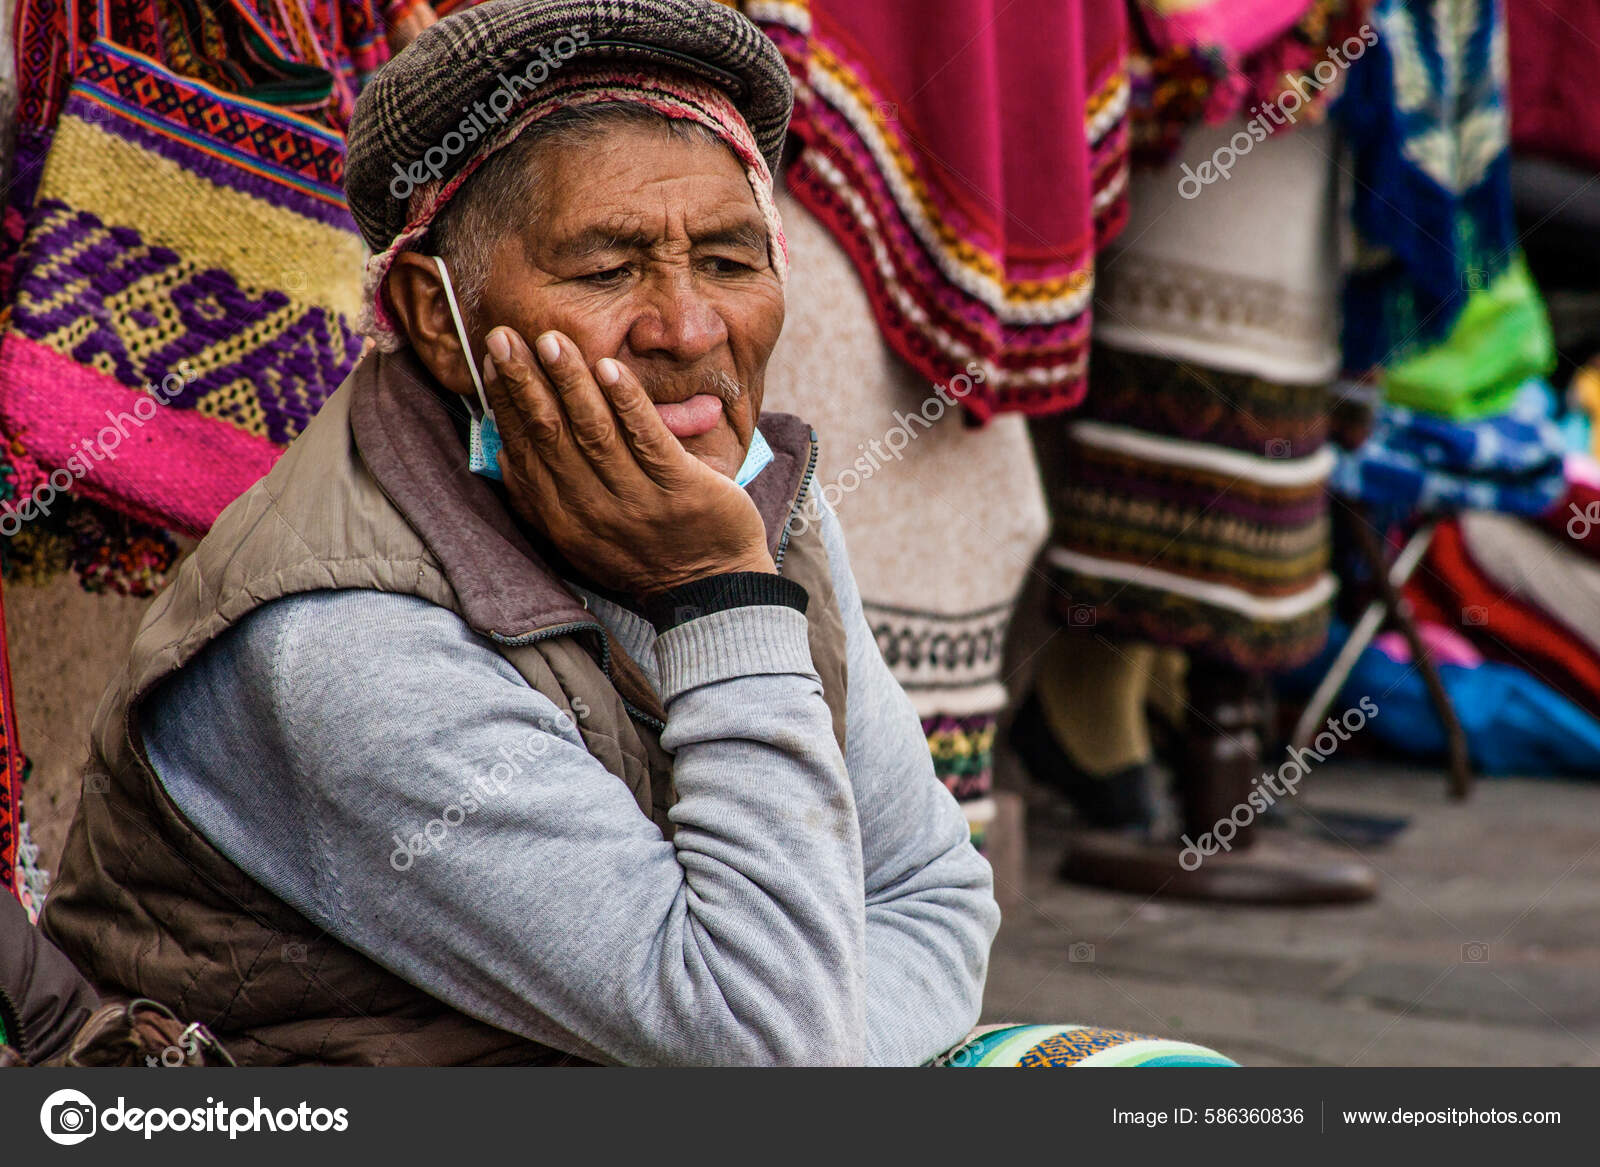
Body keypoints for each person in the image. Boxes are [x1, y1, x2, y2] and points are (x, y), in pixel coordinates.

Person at [32, 0, 1233, 1069]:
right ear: (436, 321)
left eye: (729, 259)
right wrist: (715, 598)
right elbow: (762, 1050)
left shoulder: (746, 488)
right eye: (607, 268)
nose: (687, 325)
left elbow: (925, 889)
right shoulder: (343, 635)